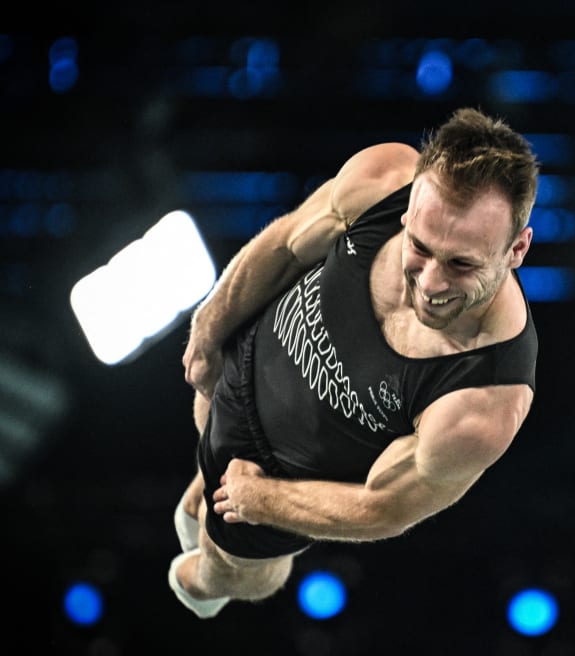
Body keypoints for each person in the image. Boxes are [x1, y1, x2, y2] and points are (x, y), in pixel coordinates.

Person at [168, 107, 540, 618]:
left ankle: (199, 581)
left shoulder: (484, 398)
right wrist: (210, 326)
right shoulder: (385, 179)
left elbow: (383, 507)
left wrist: (264, 500)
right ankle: (200, 488)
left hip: (276, 482)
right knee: (201, 481)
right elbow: (284, 244)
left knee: (226, 572)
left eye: (461, 264)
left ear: (516, 248)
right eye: (420, 247)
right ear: (409, 209)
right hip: (237, 374)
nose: (430, 284)